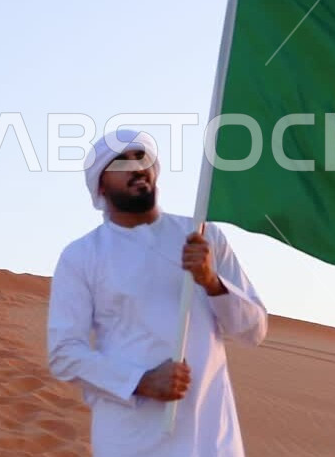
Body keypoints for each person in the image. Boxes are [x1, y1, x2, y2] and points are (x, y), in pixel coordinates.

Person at [46, 129, 268, 456]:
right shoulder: (82, 255)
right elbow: (64, 353)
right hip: (129, 439)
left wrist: (212, 282)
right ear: (100, 184)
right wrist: (141, 381)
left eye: (143, 157)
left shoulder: (203, 237)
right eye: (121, 161)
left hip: (209, 439)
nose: (137, 167)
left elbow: (255, 330)